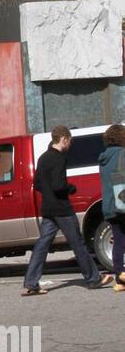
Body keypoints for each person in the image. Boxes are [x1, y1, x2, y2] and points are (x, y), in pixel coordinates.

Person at [22, 125, 105, 296]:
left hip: (48, 209)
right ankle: (93, 278)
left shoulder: (43, 158)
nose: (70, 145)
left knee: (42, 245)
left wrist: (48, 193)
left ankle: (31, 282)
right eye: (70, 141)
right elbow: (59, 185)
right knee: (78, 243)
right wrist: (71, 188)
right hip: (62, 208)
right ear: (64, 139)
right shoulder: (59, 158)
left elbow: (37, 183)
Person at [98, 124, 125, 290]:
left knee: (119, 242)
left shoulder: (103, 158)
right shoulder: (122, 153)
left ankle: (120, 280)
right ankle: (121, 275)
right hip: (122, 204)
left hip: (109, 206)